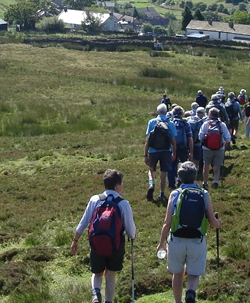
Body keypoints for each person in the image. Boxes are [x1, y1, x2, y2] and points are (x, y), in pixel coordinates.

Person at [156, 161, 222, 303]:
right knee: (193, 274)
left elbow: (167, 222)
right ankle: (191, 292)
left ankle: (178, 301)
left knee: (177, 273)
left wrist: (161, 242)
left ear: (180, 177)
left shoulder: (175, 194)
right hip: (196, 240)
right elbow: (212, 221)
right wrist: (218, 224)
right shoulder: (203, 194)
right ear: (195, 176)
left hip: (177, 240)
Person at [72, 169, 138, 303]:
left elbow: (83, 223)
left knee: (97, 274)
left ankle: (96, 293)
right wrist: (133, 235)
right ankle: (108, 301)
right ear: (117, 186)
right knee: (110, 274)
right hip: (116, 246)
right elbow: (131, 232)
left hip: (97, 245)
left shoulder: (95, 200)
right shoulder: (123, 203)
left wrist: (75, 240)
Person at [145, 104, 178, 201]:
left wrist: (145, 154)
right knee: (164, 172)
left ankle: (151, 183)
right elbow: (173, 141)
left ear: (157, 111)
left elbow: (148, 140)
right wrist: (174, 153)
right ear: (166, 111)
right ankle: (162, 193)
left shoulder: (152, 122)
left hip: (153, 150)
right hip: (166, 151)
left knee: (151, 169)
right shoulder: (170, 123)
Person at [199, 107, 231, 188]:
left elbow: (200, 137)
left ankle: (205, 182)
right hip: (219, 148)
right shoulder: (222, 124)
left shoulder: (206, 124)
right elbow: (228, 138)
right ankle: (215, 181)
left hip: (207, 148)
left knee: (206, 166)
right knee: (217, 166)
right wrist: (224, 142)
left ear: (210, 115)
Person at [168, 105, 193, 188]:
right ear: (182, 113)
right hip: (183, 147)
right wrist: (191, 152)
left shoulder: (170, 122)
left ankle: (171, 184)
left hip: (171, 147)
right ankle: (180, 180)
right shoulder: (185, 123)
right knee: (183, 165)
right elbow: (190, 138)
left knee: (171, 166)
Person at [186, 107, 206, 175]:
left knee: (190, 157)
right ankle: (194, 173)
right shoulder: (201, 122)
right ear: (203, 114)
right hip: (197, 143)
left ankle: (187, 171)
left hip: (188, 142)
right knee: (196, 160)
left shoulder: (188, 119)